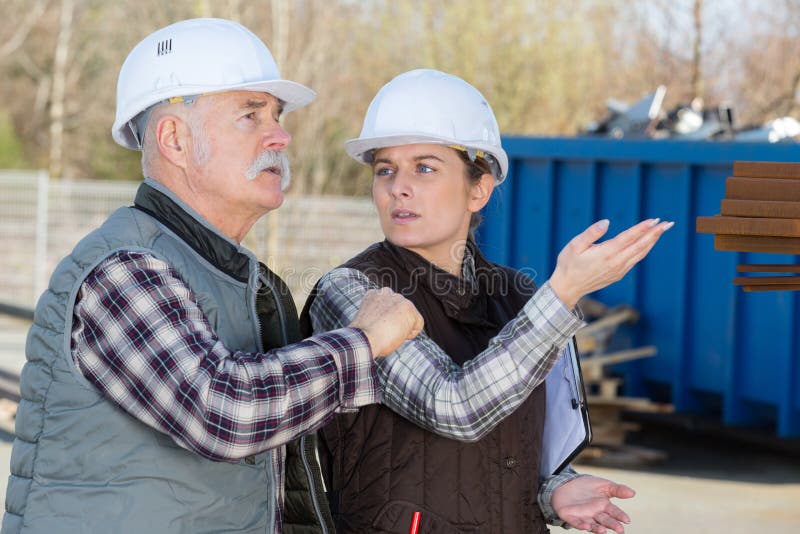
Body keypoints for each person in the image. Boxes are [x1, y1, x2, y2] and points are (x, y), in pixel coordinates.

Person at [2, 19, 423, 534]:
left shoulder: (243, 281)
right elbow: (221, 411)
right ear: (174, 139)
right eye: (251, 114)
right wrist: (362, 342)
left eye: (277, 114)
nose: (281, 135)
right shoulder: (124, 271)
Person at [301, 69, 674, 534]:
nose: (399, 186)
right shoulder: (354, 292)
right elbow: (453, 407)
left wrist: (553, 490)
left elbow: (501, 457)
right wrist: (563, 294)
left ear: (479, 188)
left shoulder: (519, 298)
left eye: (425, 167)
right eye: (385, 169)